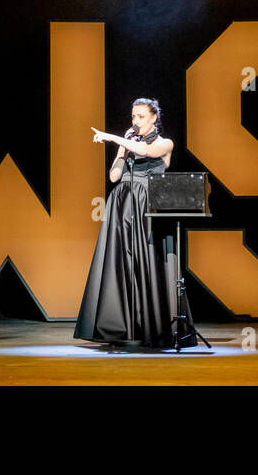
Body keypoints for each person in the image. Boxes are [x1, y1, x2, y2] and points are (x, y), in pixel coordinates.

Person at [74, 97, 188, 349]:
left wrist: (112, 137)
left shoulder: (165, 143)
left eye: (141, 116)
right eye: (133, 116)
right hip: (122, 205)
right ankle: (119, 327)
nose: (135, 121)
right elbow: (114, 176)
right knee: (119, 263)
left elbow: (147, 152)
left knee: (148, 261)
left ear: (153, 118)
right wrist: (121, 149)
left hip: (147, 205)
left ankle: (153, 328)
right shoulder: (128, 143)